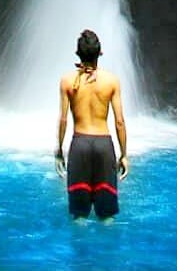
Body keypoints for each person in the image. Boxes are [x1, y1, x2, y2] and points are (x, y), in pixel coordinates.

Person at [55, 29, 129, 219]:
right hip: (104, 146)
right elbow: (119, 121)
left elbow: (63, 119)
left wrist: (59, 151)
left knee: (79, 216)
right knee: (107, 216)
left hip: (79, 144)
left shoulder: (67, 81)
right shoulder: (111, 81)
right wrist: (124, 154)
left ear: (78, 54)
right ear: (100, 53)